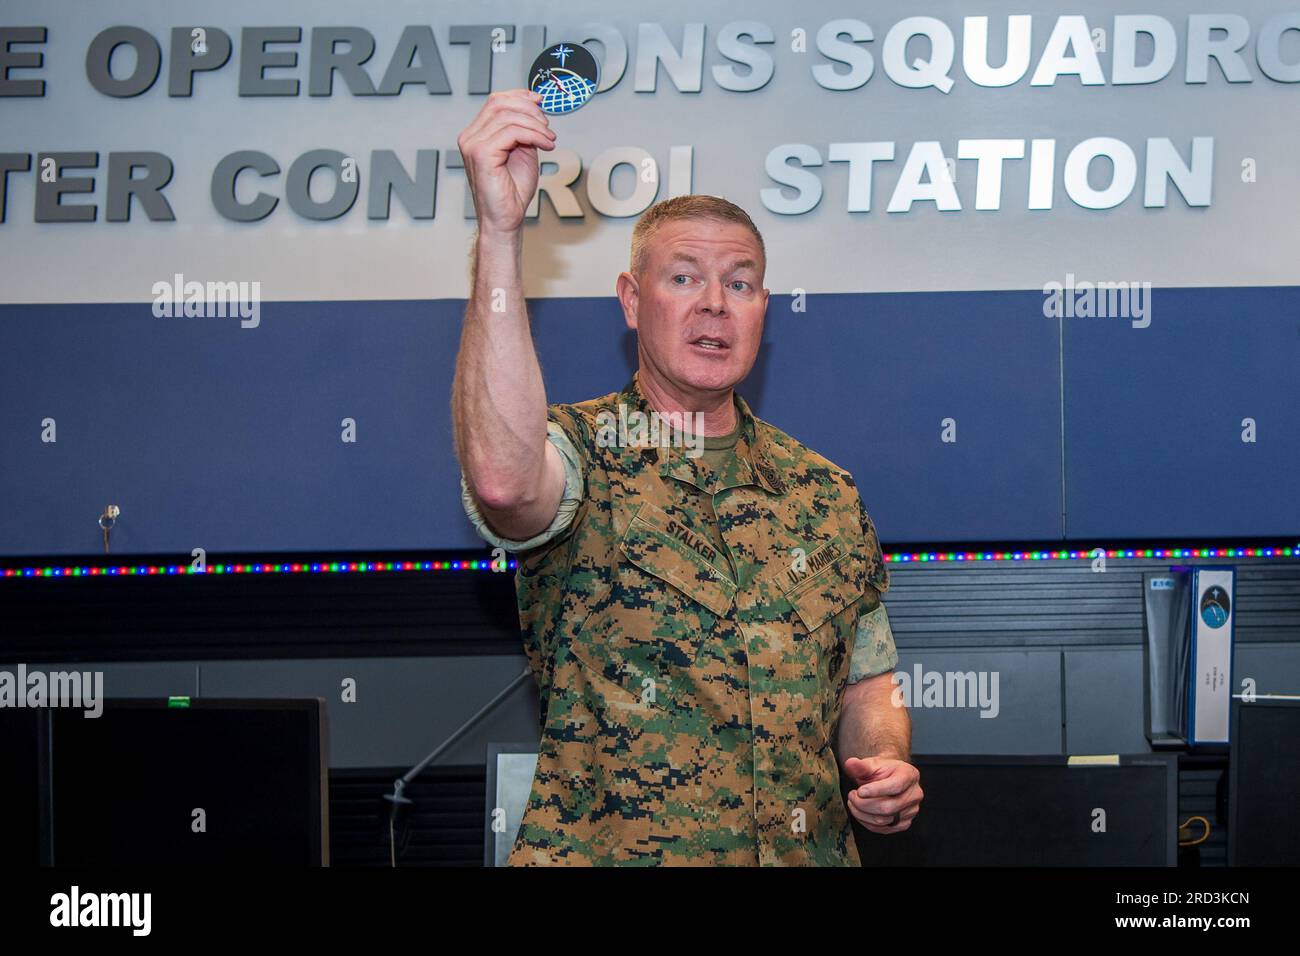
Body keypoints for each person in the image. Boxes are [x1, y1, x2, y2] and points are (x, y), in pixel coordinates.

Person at [452, 88, 922, 865]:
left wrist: (888, 761)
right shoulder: (582, 452)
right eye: (684, 279)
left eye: (739, 283)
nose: (715, 303)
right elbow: (504, 483)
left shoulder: (823, 493)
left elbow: (868, 683)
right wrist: (501, 231)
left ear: (764, 309)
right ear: (631, 301)